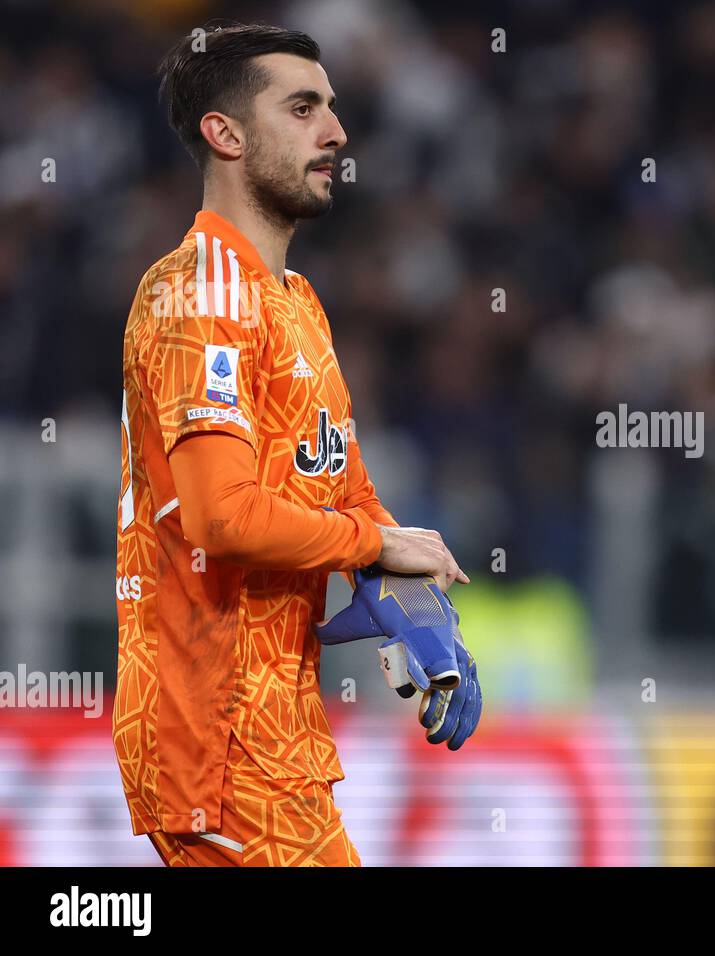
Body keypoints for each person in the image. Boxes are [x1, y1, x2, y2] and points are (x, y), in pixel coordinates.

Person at [113, 22, 467, 866]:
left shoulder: (295, 301)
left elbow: (341, 489)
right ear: (225, 135)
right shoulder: (198, 292)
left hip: (279, 723)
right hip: (216, 731)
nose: (336, 132)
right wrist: (378, 544)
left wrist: (413, 600)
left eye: (333, 109)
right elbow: (224, 518)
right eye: (303, 108)